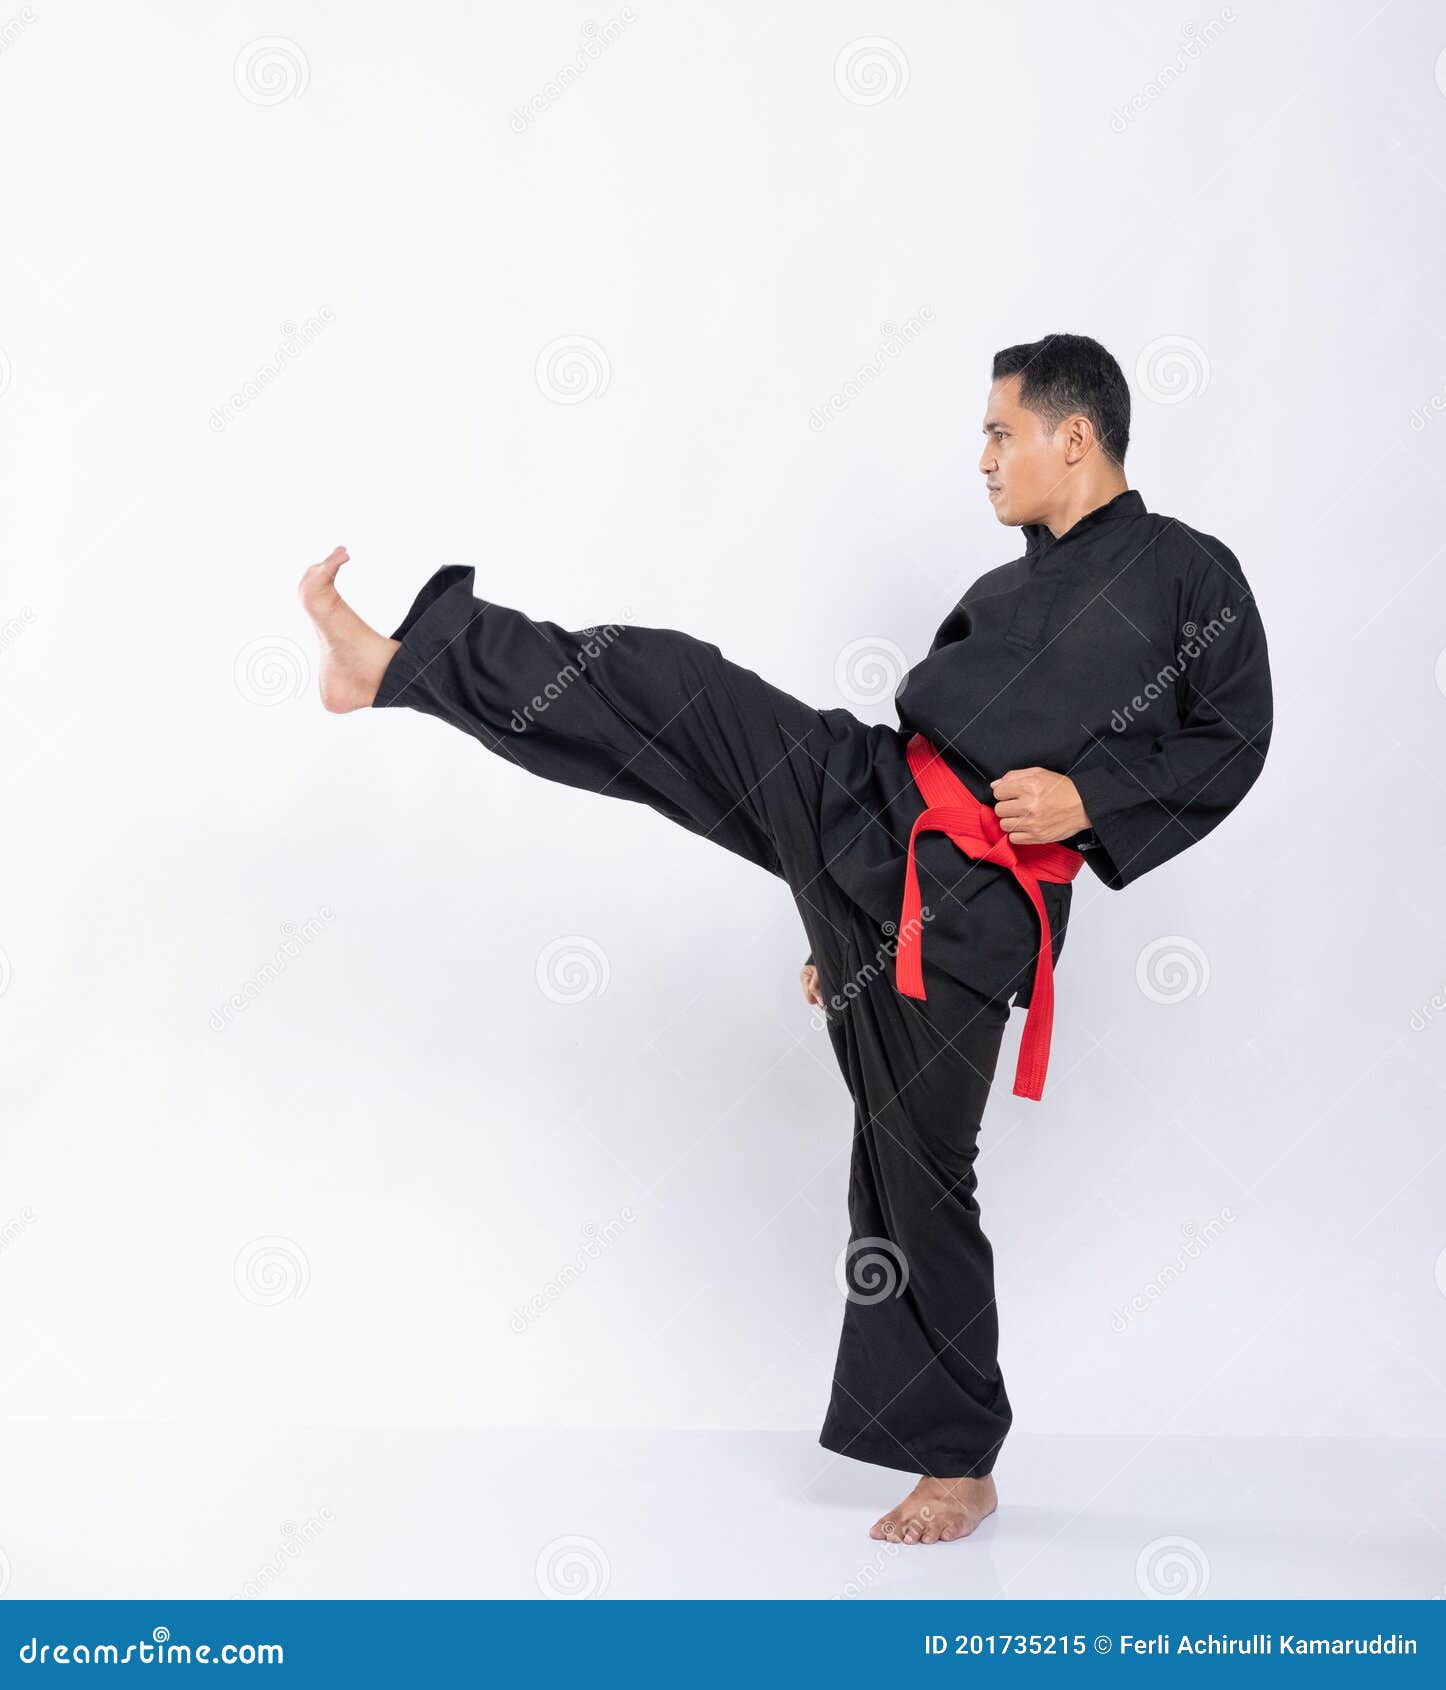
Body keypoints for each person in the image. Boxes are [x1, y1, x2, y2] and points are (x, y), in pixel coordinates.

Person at [298, 332, 1273, 1547]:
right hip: (870, 805)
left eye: (997, 432)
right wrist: (841, 902)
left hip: (970, 903)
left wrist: (1090, 801)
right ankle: (403, 663)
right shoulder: (1002, 592)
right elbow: (932, 738)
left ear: (1075, 437)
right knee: (676, 690)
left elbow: (1233, 740)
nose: (980, 459)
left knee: (915, 1173)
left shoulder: (1192, 576)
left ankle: (960, 1462)